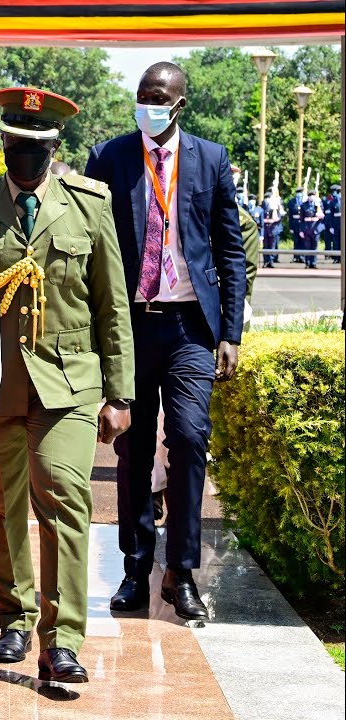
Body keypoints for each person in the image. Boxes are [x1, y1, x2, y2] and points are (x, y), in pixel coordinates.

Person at [0, 87, 133, 684]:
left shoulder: (89, 205)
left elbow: (112, 303)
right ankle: (14, 619)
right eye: (16, 143)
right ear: (3, 141)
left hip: (69, 382)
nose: (25, 155)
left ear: (55, 147)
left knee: (64, 497)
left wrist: (121, 394)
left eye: (36, 146)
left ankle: (62, 640)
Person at [85, 61, 245, 623]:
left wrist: (230, 332)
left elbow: (229, 250)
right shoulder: (109, 157)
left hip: (188, 328)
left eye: (158, 98)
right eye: (142, 96)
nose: (148, 106)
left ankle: (181, 571)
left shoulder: (211, 159)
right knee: (131, 448)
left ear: (179, 104)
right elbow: (92, 248)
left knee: (190, 438)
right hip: (129, 326)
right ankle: (135, 570)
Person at [300, 189, 324, 268]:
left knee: (314, 246)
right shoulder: (304, 205)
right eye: (310, 195)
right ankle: (307, 262)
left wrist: (319, 209)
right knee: (307, 246)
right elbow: (301, 219)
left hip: (315, 228)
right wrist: (301, 230)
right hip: (307, 228)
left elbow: (322, 217)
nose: (311, 197)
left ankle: (313, 263)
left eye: (313, 195)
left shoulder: (318, 205)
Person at [261, 189, 284, 268]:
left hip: (273, 229)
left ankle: (271, 261)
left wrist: (275, 218)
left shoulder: (275, 207)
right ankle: (265, 261)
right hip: (265, 229)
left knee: (272, 246)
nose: (267, 200)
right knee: (265, 246)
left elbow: (280, 216)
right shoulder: (263, 206)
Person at [286, 186, 305, 262]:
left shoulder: (305, 201)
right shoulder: (291, 202)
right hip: (295, 223)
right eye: (298, 192)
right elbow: (290, 215)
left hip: (303, 224)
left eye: (300, 192)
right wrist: (290, 226)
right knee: (296, 241)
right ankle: (296, 256)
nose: (299, 194)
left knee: (303, 241)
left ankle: (302, 256)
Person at [325, 183, 342, 262]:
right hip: (336, 223)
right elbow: (331, 215)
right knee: (336, 241)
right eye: (337, 191)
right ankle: (336, 258)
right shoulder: (332, 201)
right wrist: (331, 226)